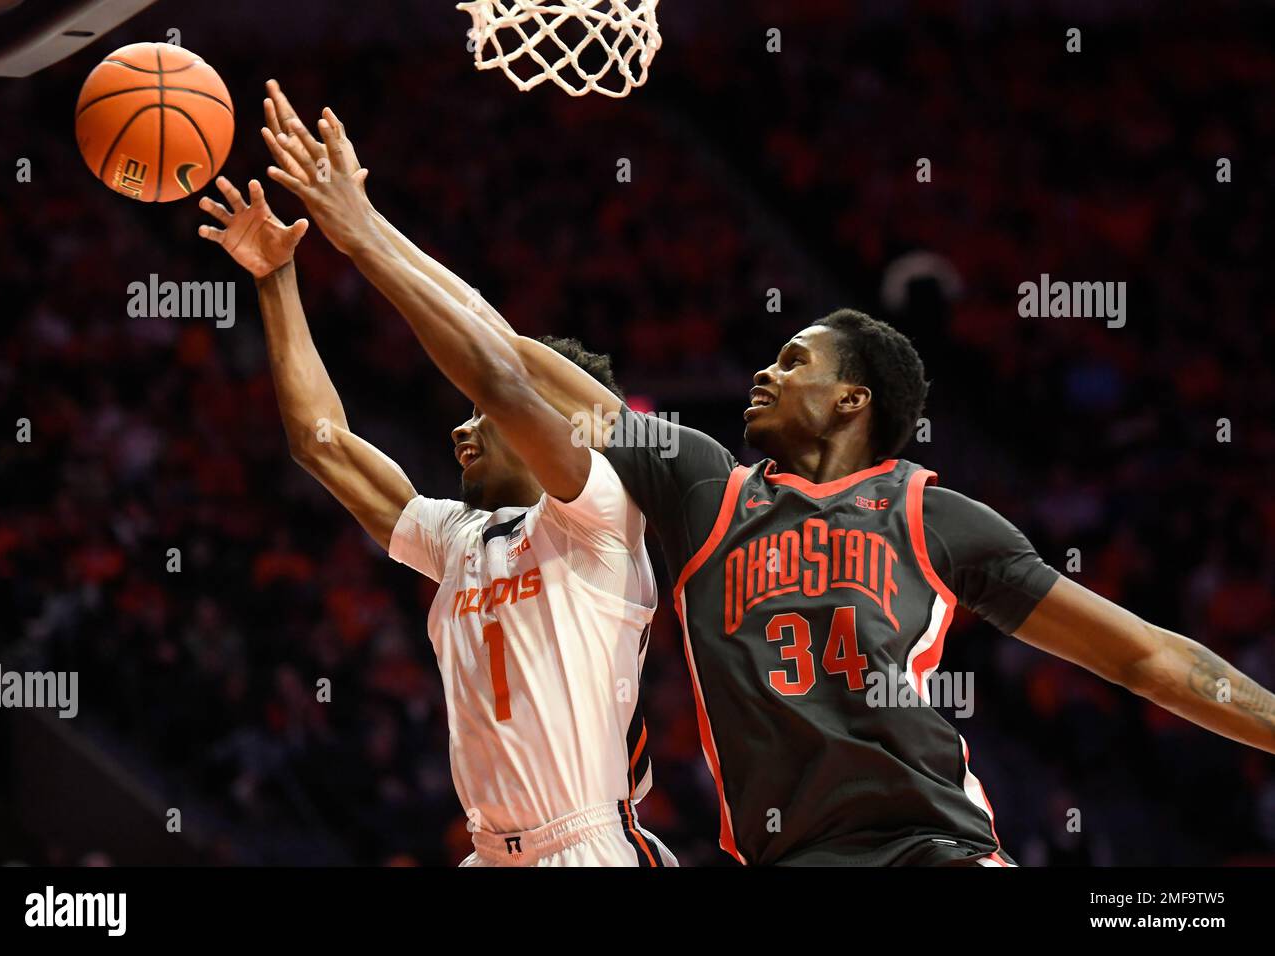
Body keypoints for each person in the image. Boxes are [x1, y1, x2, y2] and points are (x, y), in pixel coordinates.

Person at [258, 83, 1275, 867]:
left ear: (852, 402)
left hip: (932, 848)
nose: (764, 366)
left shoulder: (934, 515)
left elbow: (1145, 660)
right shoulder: (703, 484)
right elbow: (506, 358)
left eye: (795, 360)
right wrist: (358, 232)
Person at [196, 169, 674, 867]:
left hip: (589, 844)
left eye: (484, 417)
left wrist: (364, 237)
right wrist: (275, 278)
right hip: (487, 852)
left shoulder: (599, 518)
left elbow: (502, 371)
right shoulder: (459, 539)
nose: (460, 430)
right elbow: (321, 444)